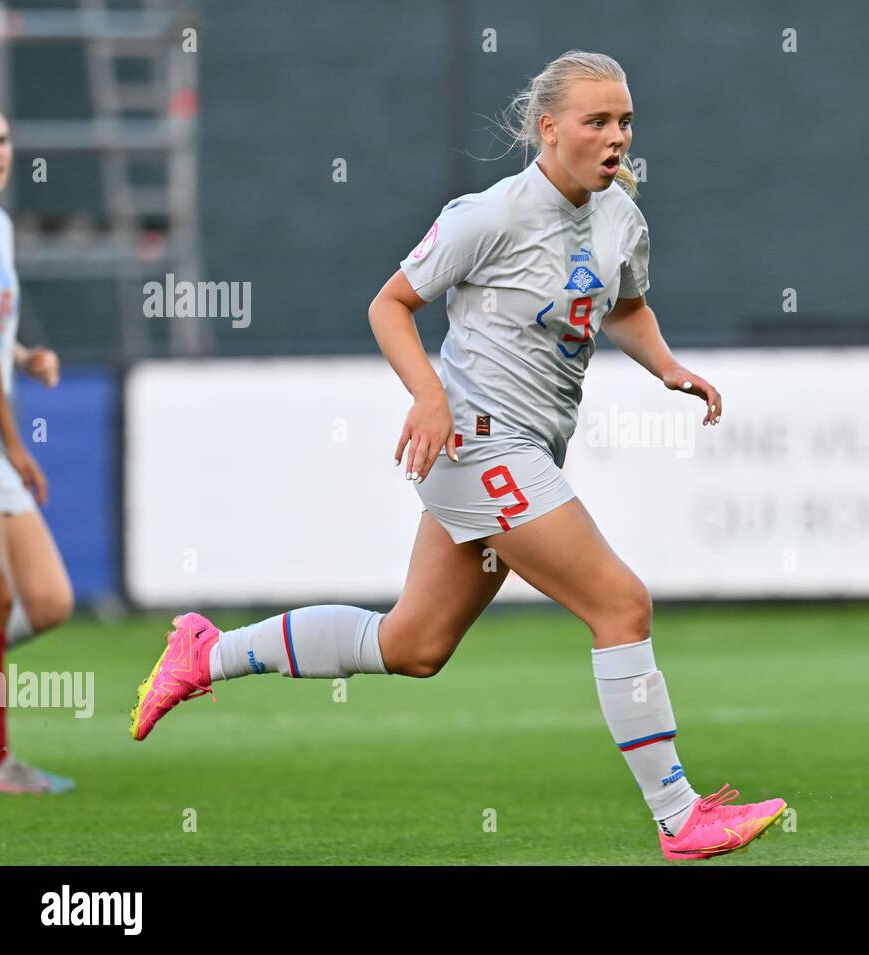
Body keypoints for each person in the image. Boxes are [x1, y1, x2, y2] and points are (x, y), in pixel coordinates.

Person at [129, 50, 786, 859]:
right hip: (478, 446)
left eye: (625, 122)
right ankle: (680, 814)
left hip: (526, 448)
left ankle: (208, 652)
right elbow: (391, 303)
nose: (616, 137)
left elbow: (626, 305)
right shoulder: (491, 214)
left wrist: (670, 366)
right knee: (621, 604)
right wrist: (429, 394)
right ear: (549, 129)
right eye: (597, 121)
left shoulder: (620, 216)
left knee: (413, 645)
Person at [0, 107, 75, 795]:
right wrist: (19, 442)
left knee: (46, 600)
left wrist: (23, 356)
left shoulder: (0, 226)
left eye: (1, 138)